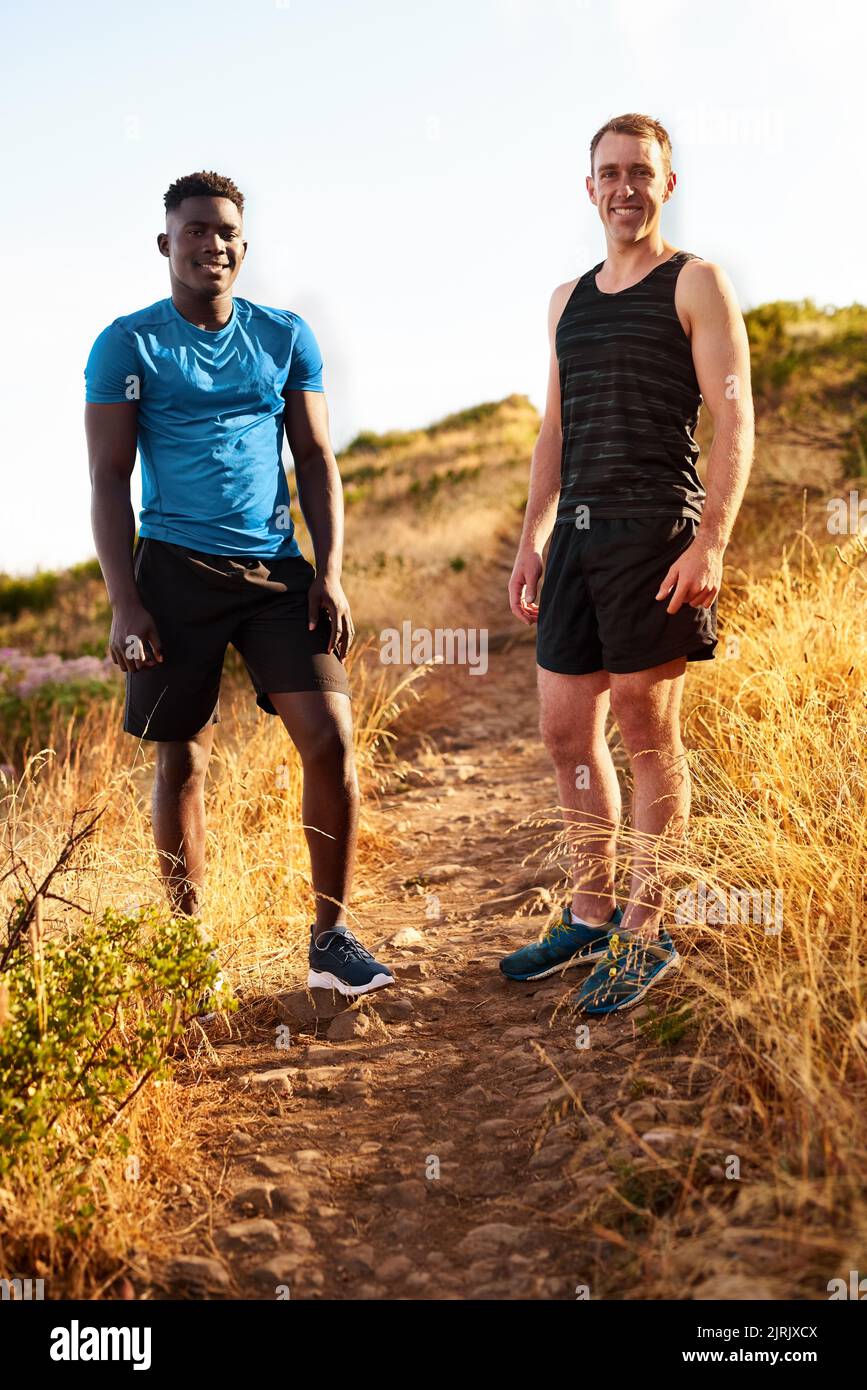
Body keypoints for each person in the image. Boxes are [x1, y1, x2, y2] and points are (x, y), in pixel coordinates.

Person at [84, 170, 393, 999]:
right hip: (172, 573)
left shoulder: (284, 336)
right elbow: (110, 478)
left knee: (327, 738)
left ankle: (330, 942)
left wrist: (327, 572)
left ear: (243, 245)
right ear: (166, 243)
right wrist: (125, 603)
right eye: (193, 231)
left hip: (274, 572)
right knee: (181, 758)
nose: (210, 244)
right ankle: (190, 960)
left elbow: (317, 459)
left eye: (225, 232)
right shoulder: (127, 344)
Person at [501, 113, 754, 1012]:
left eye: (641, 172)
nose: (624, 188)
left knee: (648, 731)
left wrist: (710, 540)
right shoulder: (566, 300)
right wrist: (533, 536)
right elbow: (554, 431)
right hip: (578, 538)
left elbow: (733, 420)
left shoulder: (697, 284)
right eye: (609, 173)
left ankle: (645, 932)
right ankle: (590, 911)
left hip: (657, 532)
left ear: (667, 184)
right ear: (589, 186)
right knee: (567, 731)